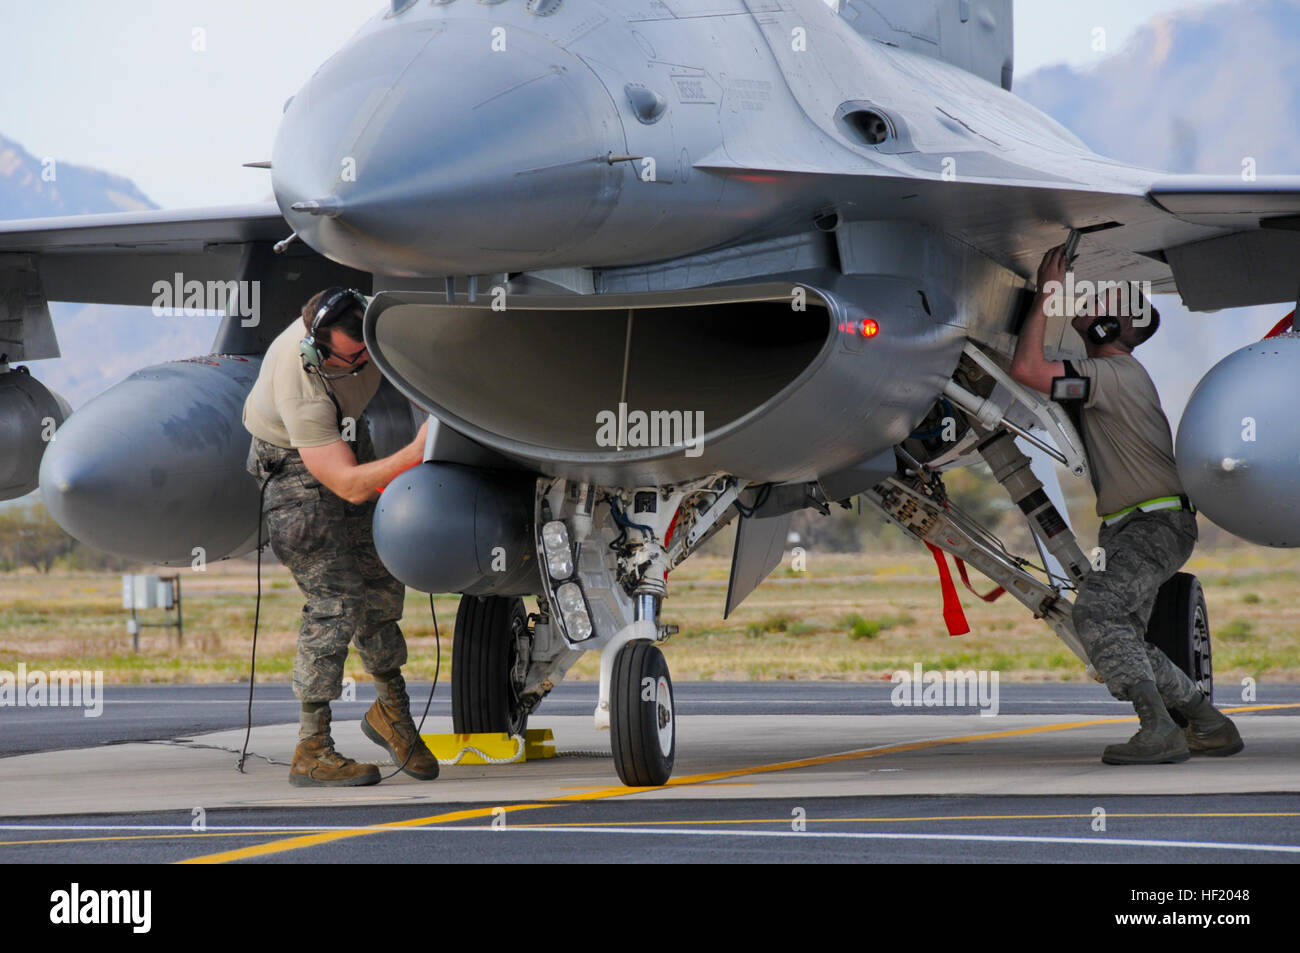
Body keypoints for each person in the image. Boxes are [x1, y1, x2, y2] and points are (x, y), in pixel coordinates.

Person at [1009, 246, 1242, 764]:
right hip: (1139, 526)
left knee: (1096, 609)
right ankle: (1208, 724)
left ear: (1109, 329)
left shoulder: (1106, 378)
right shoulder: (1108, 374)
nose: (1084, 306)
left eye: (1098, 305)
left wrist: (1048, 294)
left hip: (1151, 524)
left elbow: (1026, 369)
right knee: (1125, 633)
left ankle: (1158, 729)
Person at [241, 286, 438, 786]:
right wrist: (418, 450)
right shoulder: (301, 381)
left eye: (365, 353)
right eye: (349, 357)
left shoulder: (381, 330)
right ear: (316, 346)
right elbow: (349, 486)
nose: (360, 362)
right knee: (336, 599)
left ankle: (390, 709)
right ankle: (312, 748)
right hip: (292, 463)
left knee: (381, 580)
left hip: (347, 431)